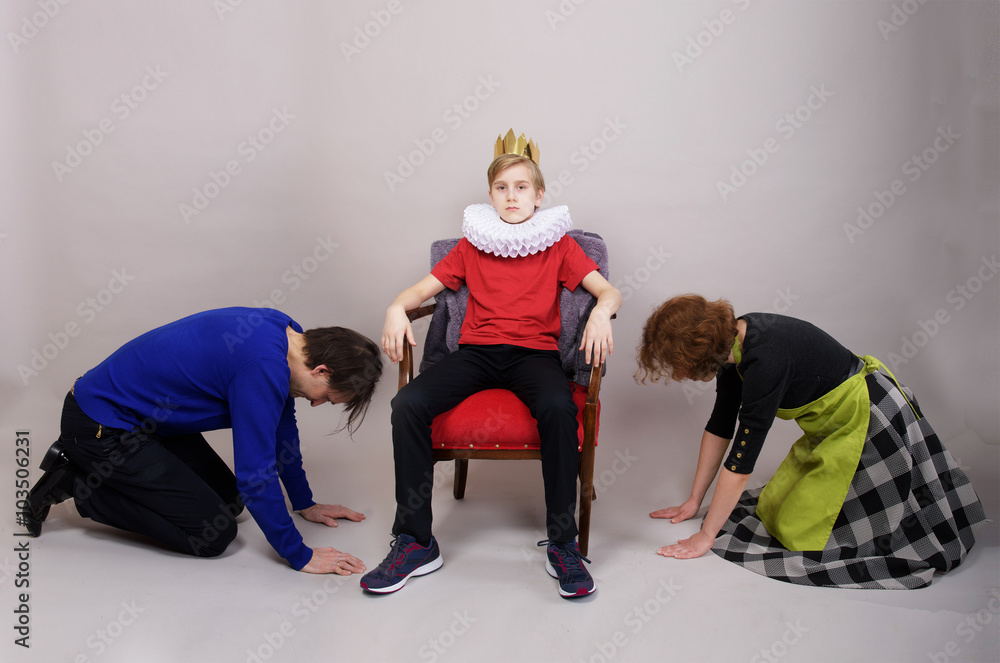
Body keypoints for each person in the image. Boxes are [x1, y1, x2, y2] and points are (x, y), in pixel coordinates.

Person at [360, 131, 622, 598]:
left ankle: (563, 543)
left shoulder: (558, 244)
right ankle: (416, 541)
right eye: (502, 188)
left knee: (560, 410)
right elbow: (418, 292)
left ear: (539, 195)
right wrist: (395, 308)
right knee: (409, 403)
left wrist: (602, 311)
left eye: (522, 187)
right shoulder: (473, 244)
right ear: (490, 195)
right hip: (476, 355)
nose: (512, 196)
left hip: (534, 356)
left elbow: (607, 290)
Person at [636, 294, 986, 589]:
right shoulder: (733, 344)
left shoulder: (764, 361)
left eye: (678, 365)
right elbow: (721, 425)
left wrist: (706, 537)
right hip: (831, 428)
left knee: (808, 534)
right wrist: (695, 500)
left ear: (698, 351)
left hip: (869, 419)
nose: (679, 375)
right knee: (777, 514)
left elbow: (742, 461)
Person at [22, 307, 382, 575]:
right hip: (100, 426)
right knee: (211, 537)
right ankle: (81, 483)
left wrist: (305, 502)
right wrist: (299, 554)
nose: (318, 403)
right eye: (327, 396)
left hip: (151, 423)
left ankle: (115, 472)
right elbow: (256, 474)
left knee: (229, 501)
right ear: (321, 370)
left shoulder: (287, 334)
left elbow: (281, 429)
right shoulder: (262, 367)